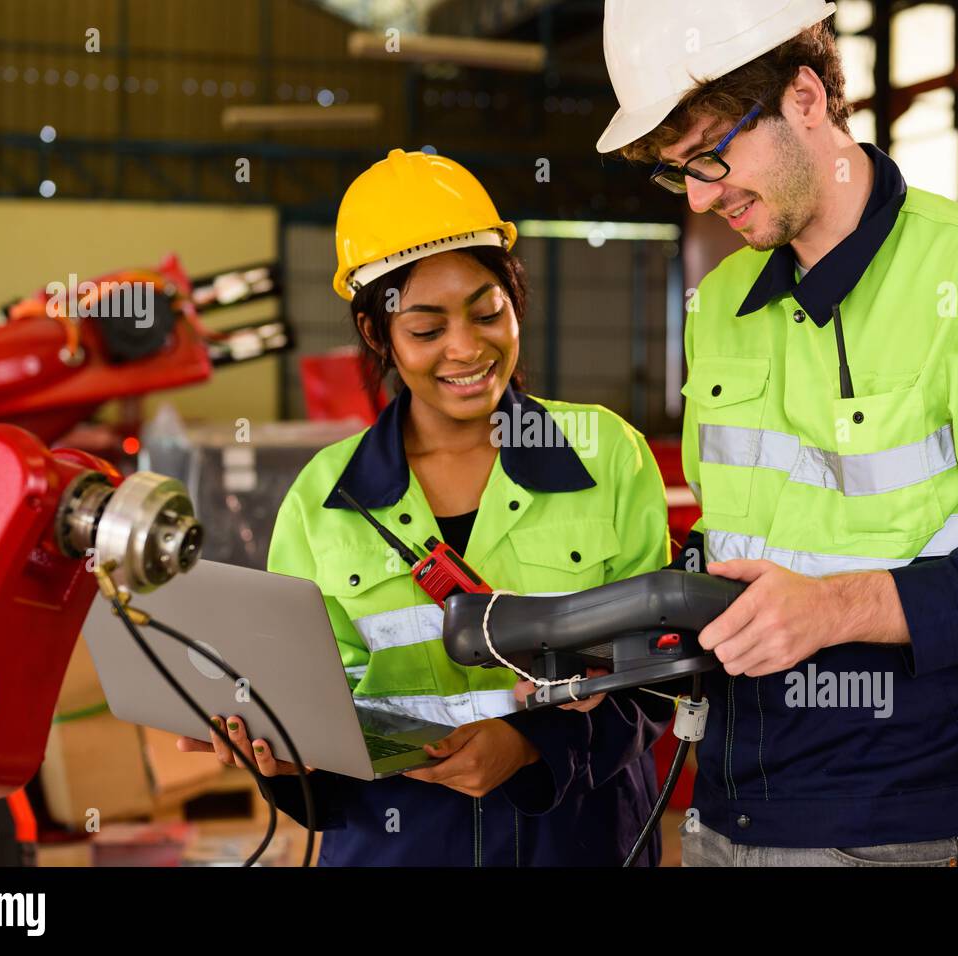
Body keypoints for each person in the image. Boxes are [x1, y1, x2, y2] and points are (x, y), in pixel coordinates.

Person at [596, 0, 958, 866]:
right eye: (674, 171)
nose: (698, 195)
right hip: (725, 809)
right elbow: (739, 540)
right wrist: (618, 650)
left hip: (899, 828)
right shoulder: (723, 304)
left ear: (805, 97)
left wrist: (834, 608)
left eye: (711, 156)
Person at [179, 148, 674, 866]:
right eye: (427, 329)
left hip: (574, 839)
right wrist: (281, 764)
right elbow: (319, 718)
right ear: (379, 336)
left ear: (516, 301)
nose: (467, 350)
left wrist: (532, 749)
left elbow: (655, 676)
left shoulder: (605, 456)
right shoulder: (326, 498)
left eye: (487, 313)